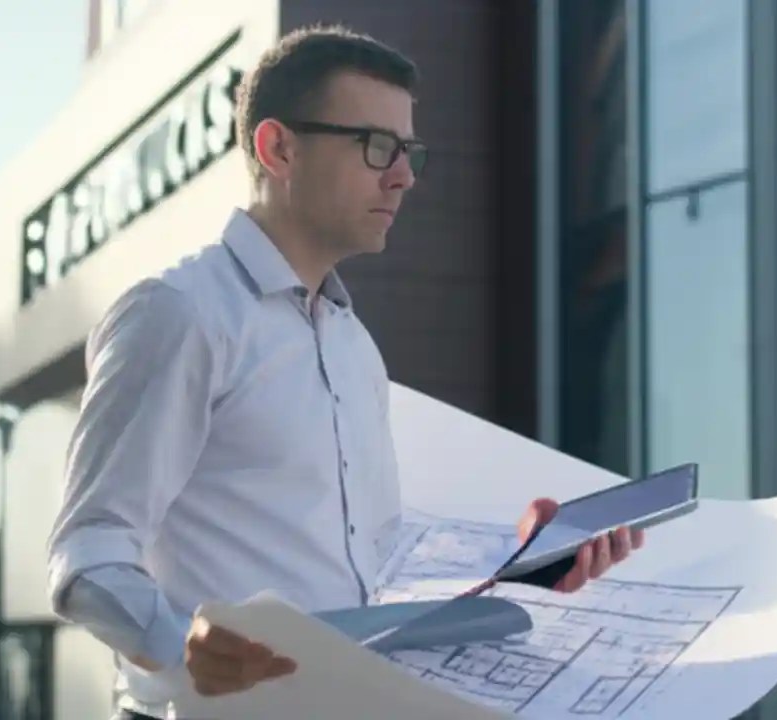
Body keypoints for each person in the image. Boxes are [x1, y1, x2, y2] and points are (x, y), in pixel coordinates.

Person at [46, 25, 644, 720]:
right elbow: (85, 553)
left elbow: (380, 560)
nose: (404, 175)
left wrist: (529, 557)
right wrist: (180, 644)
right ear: (278, 148)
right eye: (376, 146)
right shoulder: (178, 313)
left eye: (409, 150)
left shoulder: (354, 346)